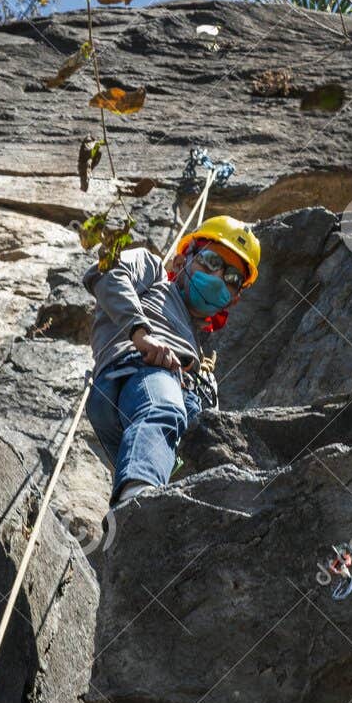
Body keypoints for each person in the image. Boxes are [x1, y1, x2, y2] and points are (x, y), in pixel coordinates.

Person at [84, 215, 261, 507]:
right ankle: (140, 505)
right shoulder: (153, 272)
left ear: (234, 300)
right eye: (211, 262)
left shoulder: (197, 349)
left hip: (162, 409)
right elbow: (107, 272)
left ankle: (140, 516)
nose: (218, 278)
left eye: (232, 278)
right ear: (181, 262)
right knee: (163, 408)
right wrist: (141, 335)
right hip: (135, 372)